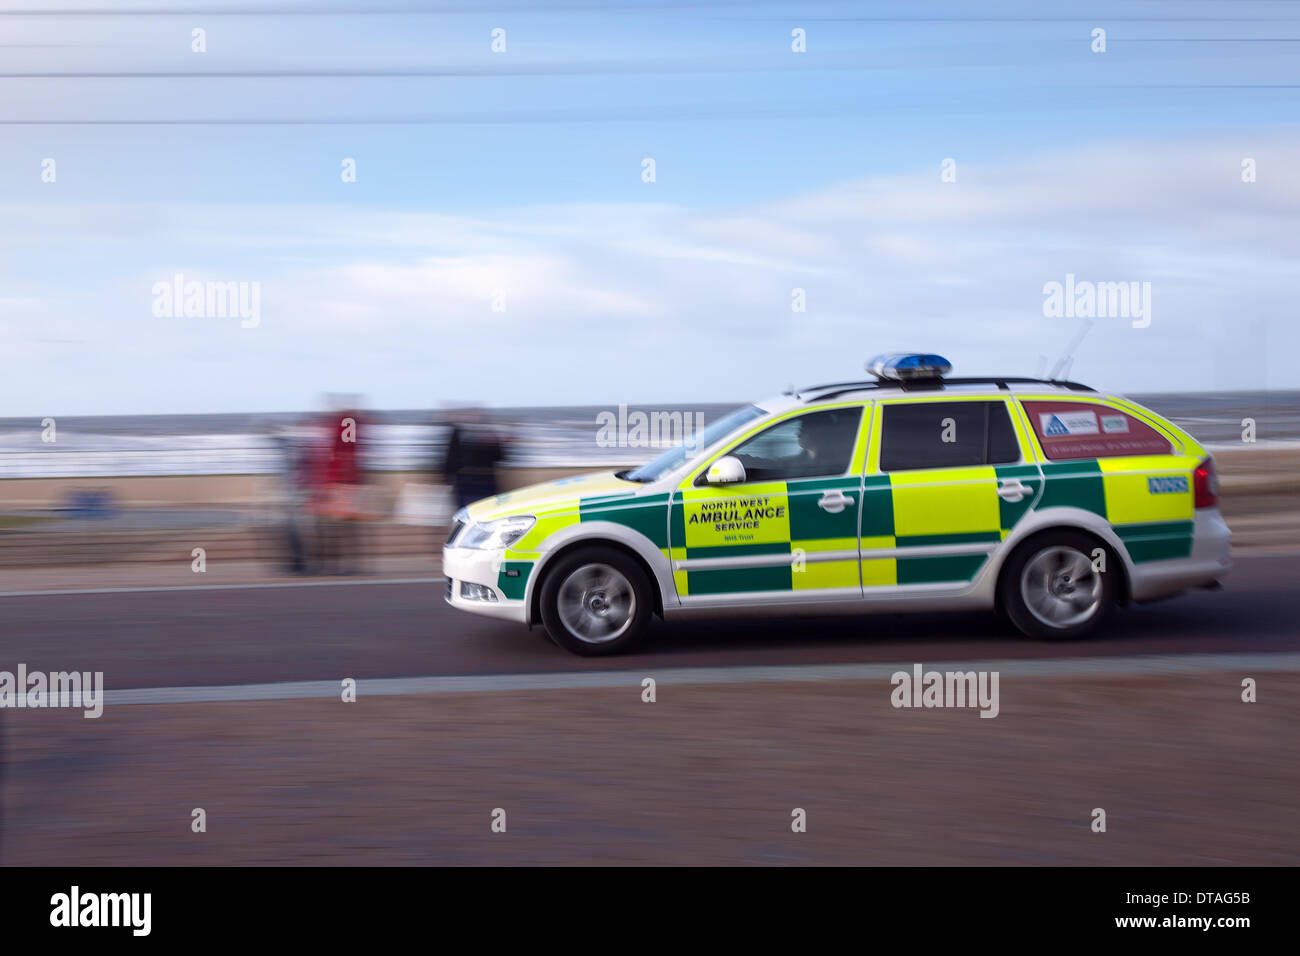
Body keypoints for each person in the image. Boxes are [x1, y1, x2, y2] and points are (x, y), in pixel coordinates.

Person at [438, 408, 504, 509]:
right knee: (486, 508)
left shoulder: (459, 434)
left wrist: (447, 475)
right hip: (485, 480)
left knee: (467, 509)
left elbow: (452, 458)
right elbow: (500, 457)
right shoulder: (490, 434)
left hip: (467, 480)